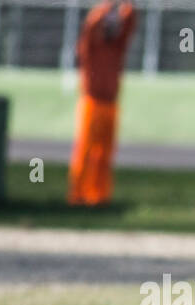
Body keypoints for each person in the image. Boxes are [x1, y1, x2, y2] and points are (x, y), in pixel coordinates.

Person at [68, 2, 137, 206]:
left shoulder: (117, 47)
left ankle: (99, 196)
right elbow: (91, 26)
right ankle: (77, 195)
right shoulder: (91, 46)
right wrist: (108, 6)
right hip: (92, 103)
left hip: (111, 105)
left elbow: (130, 22)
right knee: (85, 151)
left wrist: (126, 5)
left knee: (105, 154)